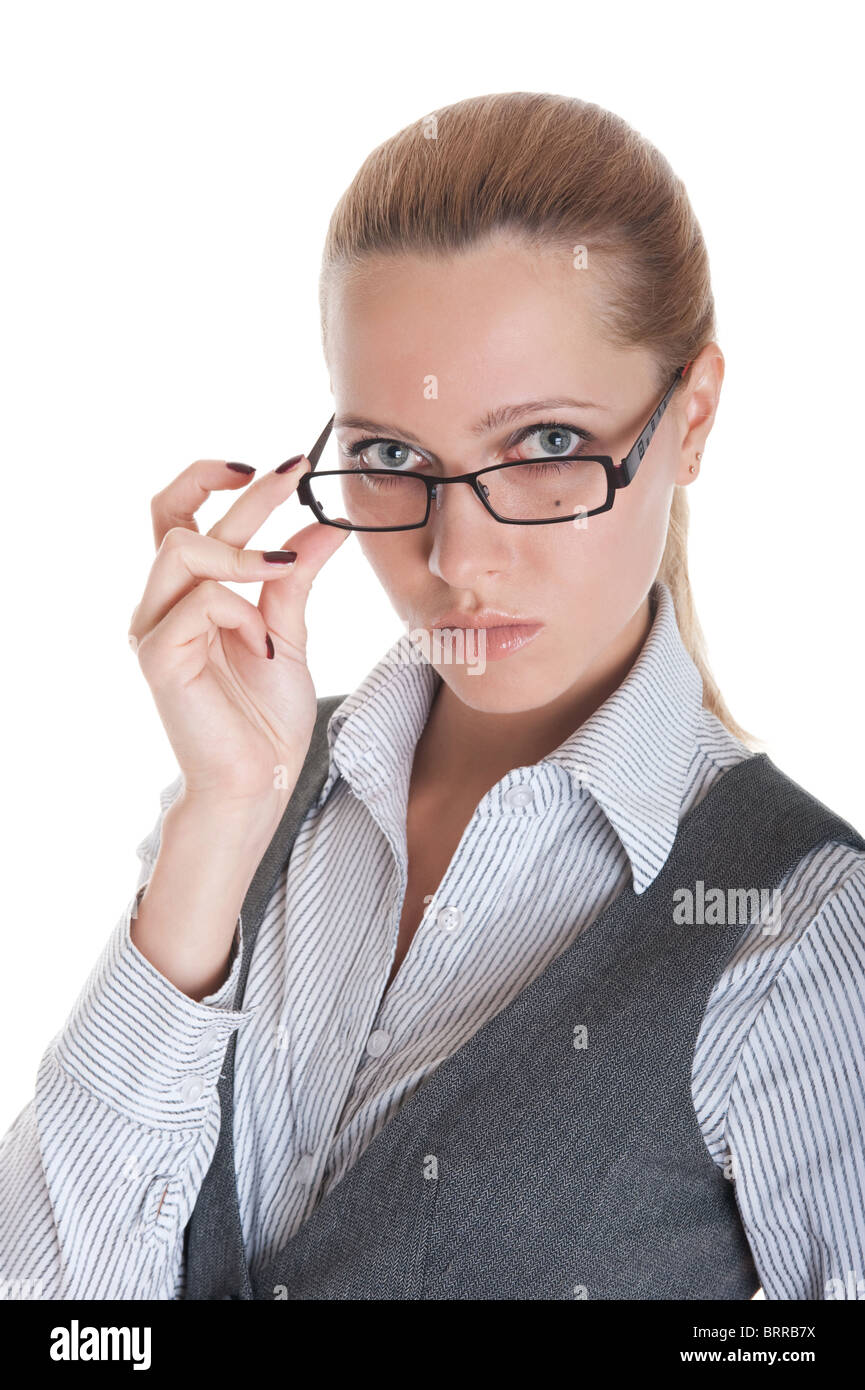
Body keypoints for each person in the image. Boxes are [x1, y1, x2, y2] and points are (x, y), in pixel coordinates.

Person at [1, 91, 863, 1302]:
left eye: (549, 444)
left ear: (695, 417)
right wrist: (218, 818)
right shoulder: (256, 805)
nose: (457, 557)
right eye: (396, 457)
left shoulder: (804, 931)